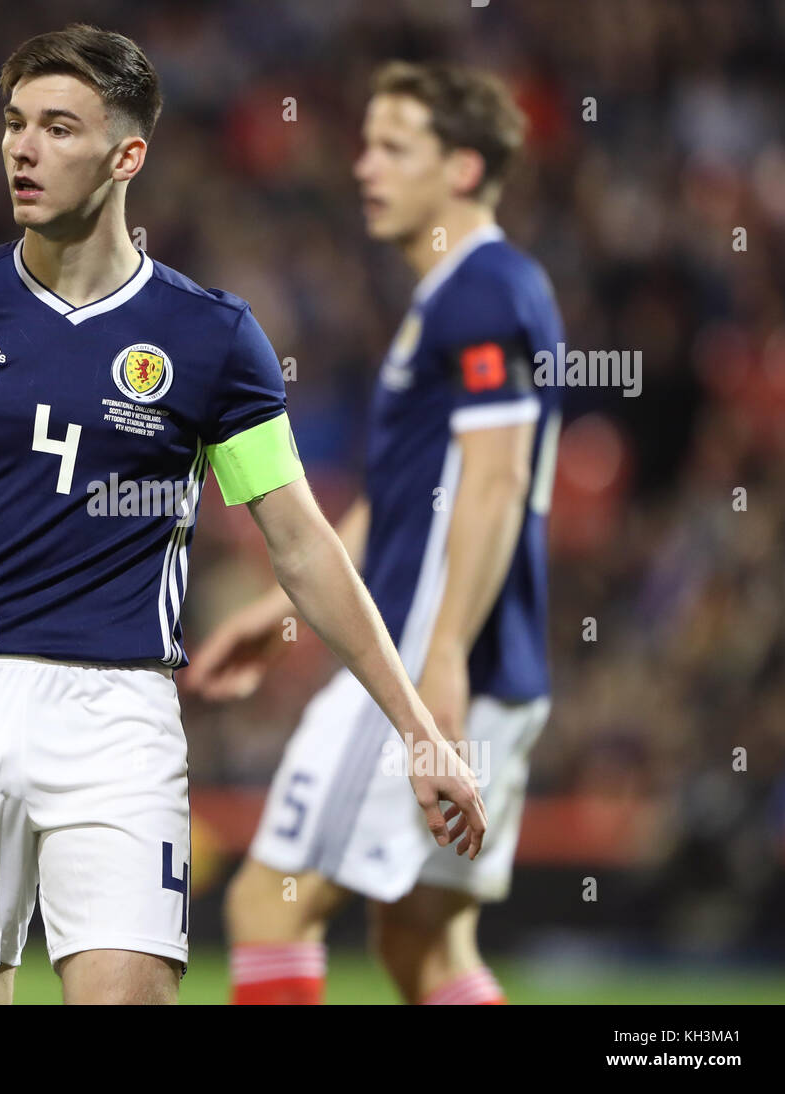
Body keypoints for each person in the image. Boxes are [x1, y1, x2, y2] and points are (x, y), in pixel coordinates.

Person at [0, 28, 483, 1006]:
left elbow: (303, 545)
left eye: (57, 127)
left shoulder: (211, 338)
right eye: (14, 124)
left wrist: (415, 729)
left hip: (116, 711)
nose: (22, 148)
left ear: (126, 156)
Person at [190, 61, 562, 1006]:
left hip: (419, 672)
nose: (365, 167)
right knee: (421, 947)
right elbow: (405, 500)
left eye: (395, 147)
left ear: (465, 170)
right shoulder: (461, 299)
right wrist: (280, 612)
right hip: (492, 669)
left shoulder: (482, 293)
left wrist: (436, 669)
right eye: (365, 144)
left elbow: (497, 481)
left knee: (268, 912)